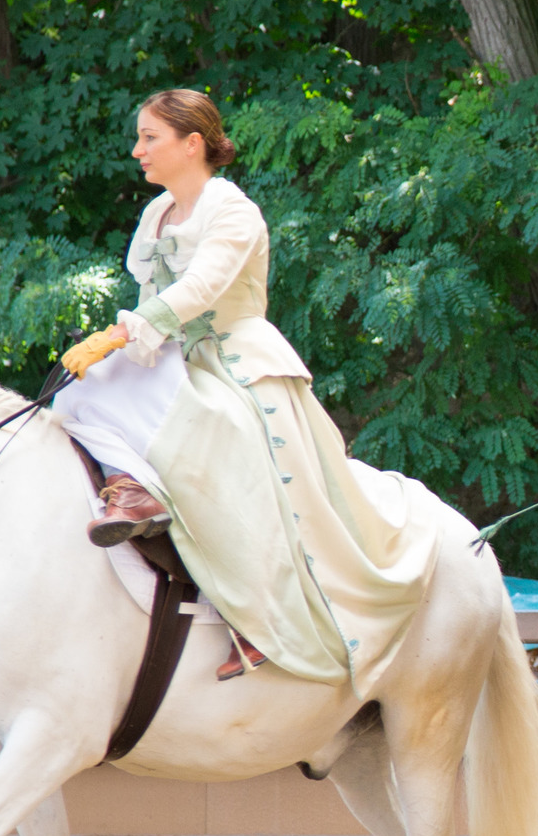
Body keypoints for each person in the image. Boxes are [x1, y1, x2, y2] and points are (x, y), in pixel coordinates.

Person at [53, 89, 438, 689]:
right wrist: (124, 342)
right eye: (140, 137)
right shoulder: (156, 216)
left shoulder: (232, 210)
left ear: (193, 144)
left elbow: (202, 289)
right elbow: (154, 304)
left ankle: (269, 616)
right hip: (174, 355)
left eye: (150, 137)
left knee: (215, 453)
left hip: (236, 363)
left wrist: (123, 332)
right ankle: (135, 492)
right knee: (74, 399)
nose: (138, 150)